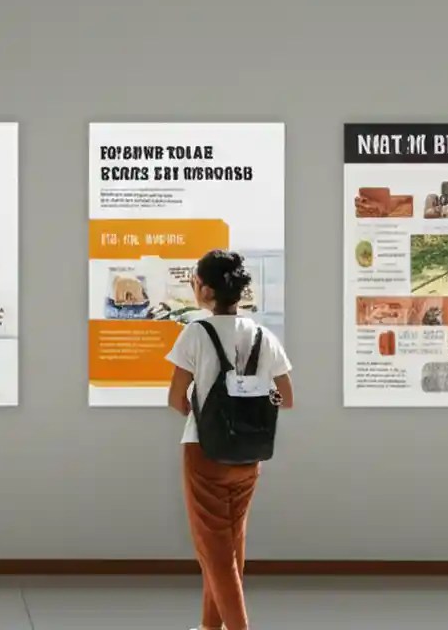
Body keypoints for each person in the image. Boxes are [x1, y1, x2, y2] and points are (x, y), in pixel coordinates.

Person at [165, 250, 294, 630]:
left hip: (204, 453)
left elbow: (175, 399)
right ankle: (210, 626)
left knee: (214, 550)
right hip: (249, 455)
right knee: (229, 545)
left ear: (204, 289)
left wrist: (202, 412)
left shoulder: (195, 333)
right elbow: (286, 398)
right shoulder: (262, 335)